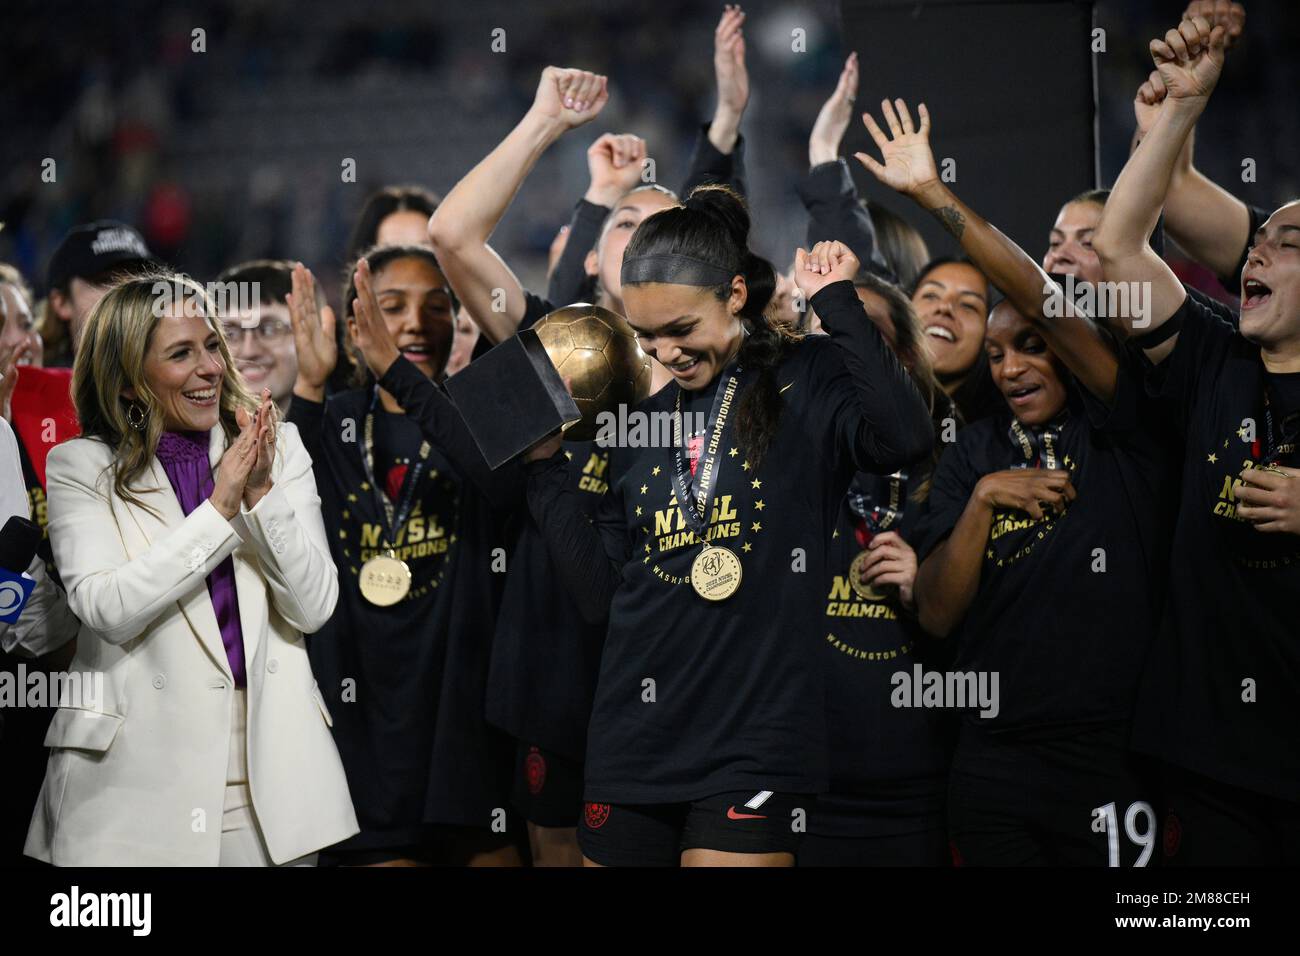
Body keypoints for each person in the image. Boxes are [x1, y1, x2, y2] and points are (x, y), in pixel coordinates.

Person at [523, 185, 932, 866]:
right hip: (634, 734)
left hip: (758, 735)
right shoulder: (639, 422)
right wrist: (542, 471)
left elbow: (906, 438)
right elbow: (601, 595)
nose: (664, 354)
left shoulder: (808, 377)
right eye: (646, 335)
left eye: (681, 330)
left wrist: (838, 301)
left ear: (735, 294)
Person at [862, 98, 1170, 866]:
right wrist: (986, 498)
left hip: (1110, 759)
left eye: (1033, 345)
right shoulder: (976, 448)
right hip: (992, 758)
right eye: (998, 356)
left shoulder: (1123, 420)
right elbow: (934, 615)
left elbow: (1038, 294)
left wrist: (934, 195)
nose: (1012, 367)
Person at [24, 271, 356, 865]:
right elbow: (106, 607)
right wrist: (220, 507)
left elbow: (314, 606)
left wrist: (259, 498)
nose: (211, 368)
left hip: (269, 785)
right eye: (181, 353)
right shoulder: (80, 466)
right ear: (128, 381)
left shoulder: (280, 448)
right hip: (130, 791)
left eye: (210, 345)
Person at [1092, 14, 1300, 864]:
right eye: (1259, 240)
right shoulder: (1215, 353)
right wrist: (1181, 108)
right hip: (1210, 752)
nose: (1258, 251)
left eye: (1289, 243)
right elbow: (1116, 248)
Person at [287, 248, 524, 866]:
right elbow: (280, 515)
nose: (416, 323)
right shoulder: (335, 420)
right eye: (392, 307)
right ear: (358, 320)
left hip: (464, 734)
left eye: (436, 306)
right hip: (364, 732)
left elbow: (502, 486)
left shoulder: (478, 419)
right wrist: (310, 386)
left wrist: (398, 374)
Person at [801, 270, 955, 866]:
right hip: (803, 784)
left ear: (906, 359)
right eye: (823, 338)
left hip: (913, 784)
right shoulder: (778, 459)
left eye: (861, 336)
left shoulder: (953, 461)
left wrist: (927, 584)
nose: (841, 353)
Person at [39, 220, 155, 367]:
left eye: (138, 282)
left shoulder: (179, 378)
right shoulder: (27, 385)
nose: (125, 294)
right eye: (105, 281)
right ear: (61, 302)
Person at [216, 260, 312, 416]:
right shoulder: (187, 435)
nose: (249, 351)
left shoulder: (347, 425)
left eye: (269, 330)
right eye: (230, 333)